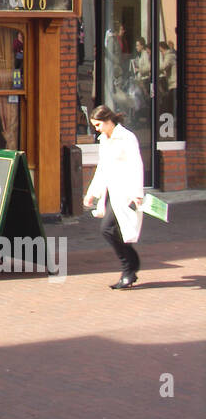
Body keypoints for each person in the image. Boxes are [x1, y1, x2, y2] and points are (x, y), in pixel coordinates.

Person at [83, 106, 145, 289]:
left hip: (125, 192)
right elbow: (102, 168)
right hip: (110, 192)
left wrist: (137, 193)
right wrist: (91, 193)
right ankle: (130, 266)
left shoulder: (127, 138)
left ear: (108, 121)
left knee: (108, 229)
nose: (96, 129)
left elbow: (136, 165)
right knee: (111, 230)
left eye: (98, 125)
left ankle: (129, 268)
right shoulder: (104, 140)